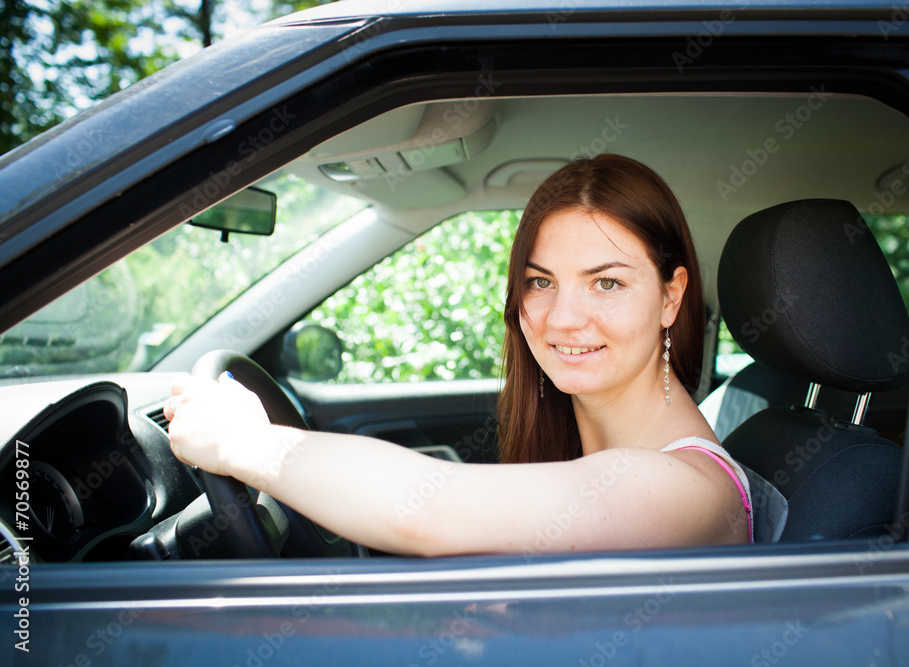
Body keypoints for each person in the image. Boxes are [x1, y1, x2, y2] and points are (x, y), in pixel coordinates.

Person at [164, 154, 752, 556]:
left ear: (672, 297)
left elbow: (424, 509)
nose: (563, 318)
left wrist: (241, 443)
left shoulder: (686, 490)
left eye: (607, 283)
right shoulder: (597, 457)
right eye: (540, 281)